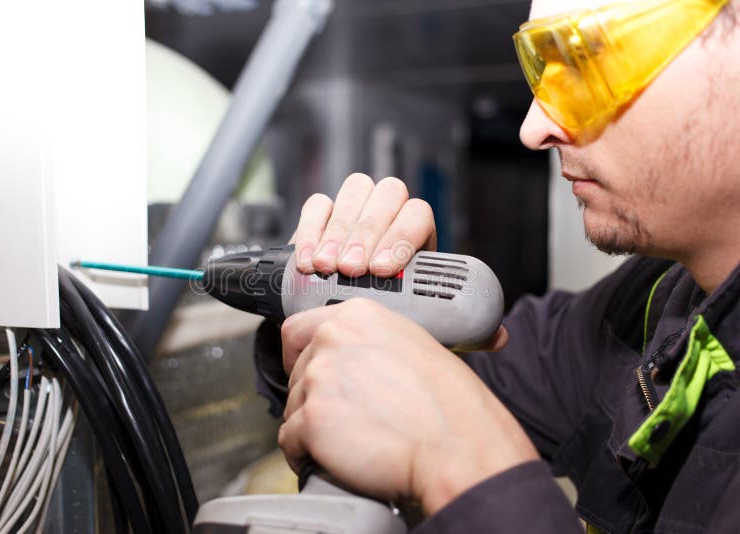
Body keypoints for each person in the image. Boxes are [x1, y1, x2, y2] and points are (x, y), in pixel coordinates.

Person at [261, 0, 740, 531]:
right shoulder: (655, 305)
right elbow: (447, 388)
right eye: (543, 68)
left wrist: (463, 466)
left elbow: (451, 424)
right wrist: (334, 311)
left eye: (592, 60)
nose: (533, 128)